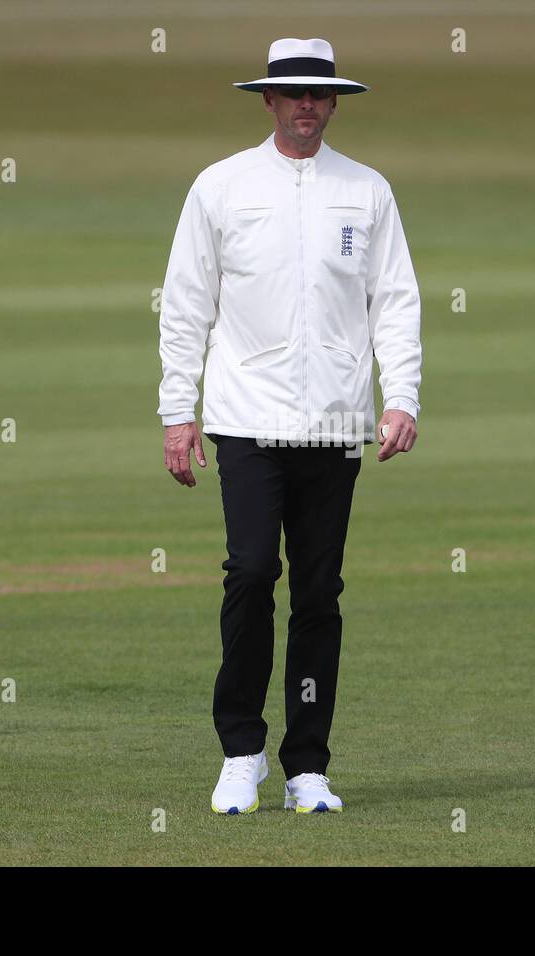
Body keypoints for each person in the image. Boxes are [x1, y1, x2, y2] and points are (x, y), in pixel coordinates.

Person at [156, 37, 422, 814]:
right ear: (269, 100)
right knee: (248, 574)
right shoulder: (221, 187)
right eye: (293, 92)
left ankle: (307, 766)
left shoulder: (366, 191)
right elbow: (185, 305)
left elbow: (395, 302)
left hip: (336, 421)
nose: (307, 104)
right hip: (246, 418)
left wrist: (399, 397)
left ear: (334, 103)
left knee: (318, 591)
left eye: (320, 93)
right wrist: (180, 413)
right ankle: (242, 752)